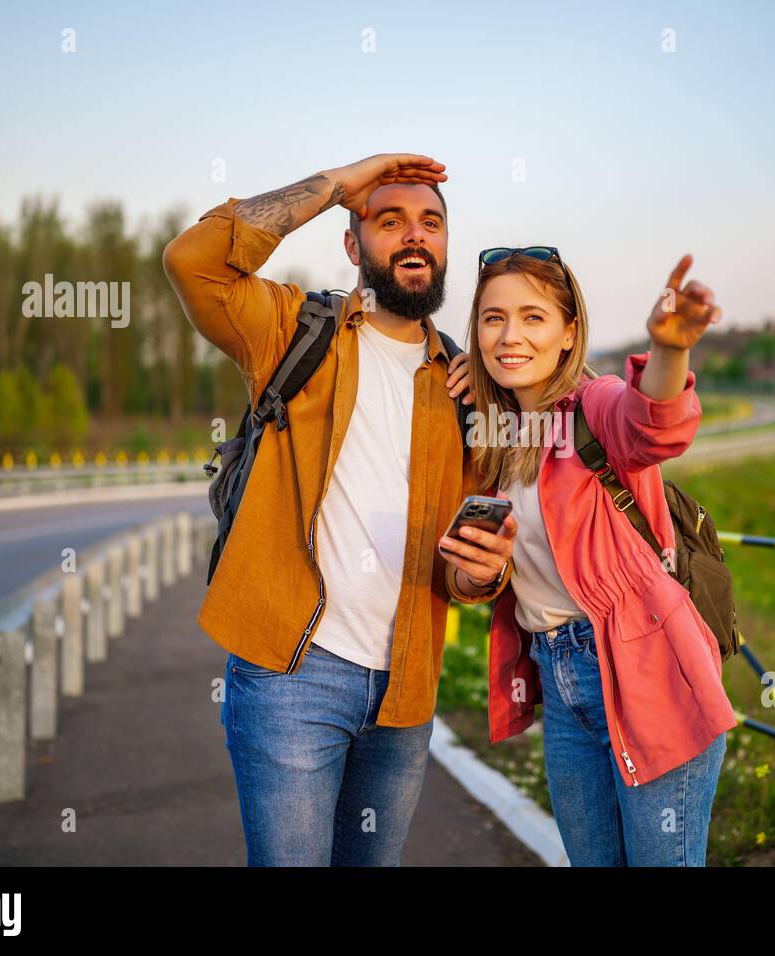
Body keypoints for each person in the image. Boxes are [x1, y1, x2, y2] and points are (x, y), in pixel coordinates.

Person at [163, 153, 515, 866]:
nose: (414, 236)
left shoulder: (468, 392)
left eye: (431, 223)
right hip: (291, 676)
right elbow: (192, 261)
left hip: (406, 690)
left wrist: (482, 577)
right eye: (389, 221)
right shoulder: (293, 329)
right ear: (353, 245)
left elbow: (462, 573)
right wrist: (333, 186)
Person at [438, 247, 737, 866]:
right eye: (493, 319)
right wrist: (479, 573)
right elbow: (477, 582)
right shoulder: (492, 435)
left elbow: (653, 424)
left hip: (648, 672)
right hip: (562, 681)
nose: (510, 335)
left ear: (569, 331)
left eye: (533, 317)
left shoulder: (594, 405)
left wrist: (670, 351)